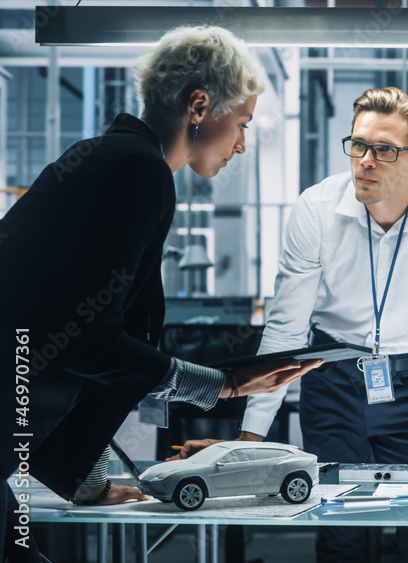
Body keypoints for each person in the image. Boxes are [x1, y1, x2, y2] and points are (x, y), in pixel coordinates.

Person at [0, 26, 319, 562]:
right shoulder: (137, 170)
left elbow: (88, 329)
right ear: (199, 104)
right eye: (241, 123)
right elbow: (87, 342)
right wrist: (221, 386)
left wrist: (86, 478)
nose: (242, 143)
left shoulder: (111, 158)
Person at [172, 86, 408, 562]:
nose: (365, 161)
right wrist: (251, 437)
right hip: (331, 376)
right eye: (358, 145)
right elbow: (286, 328)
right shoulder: (317, 208)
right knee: (339, 528)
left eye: (384, 150)